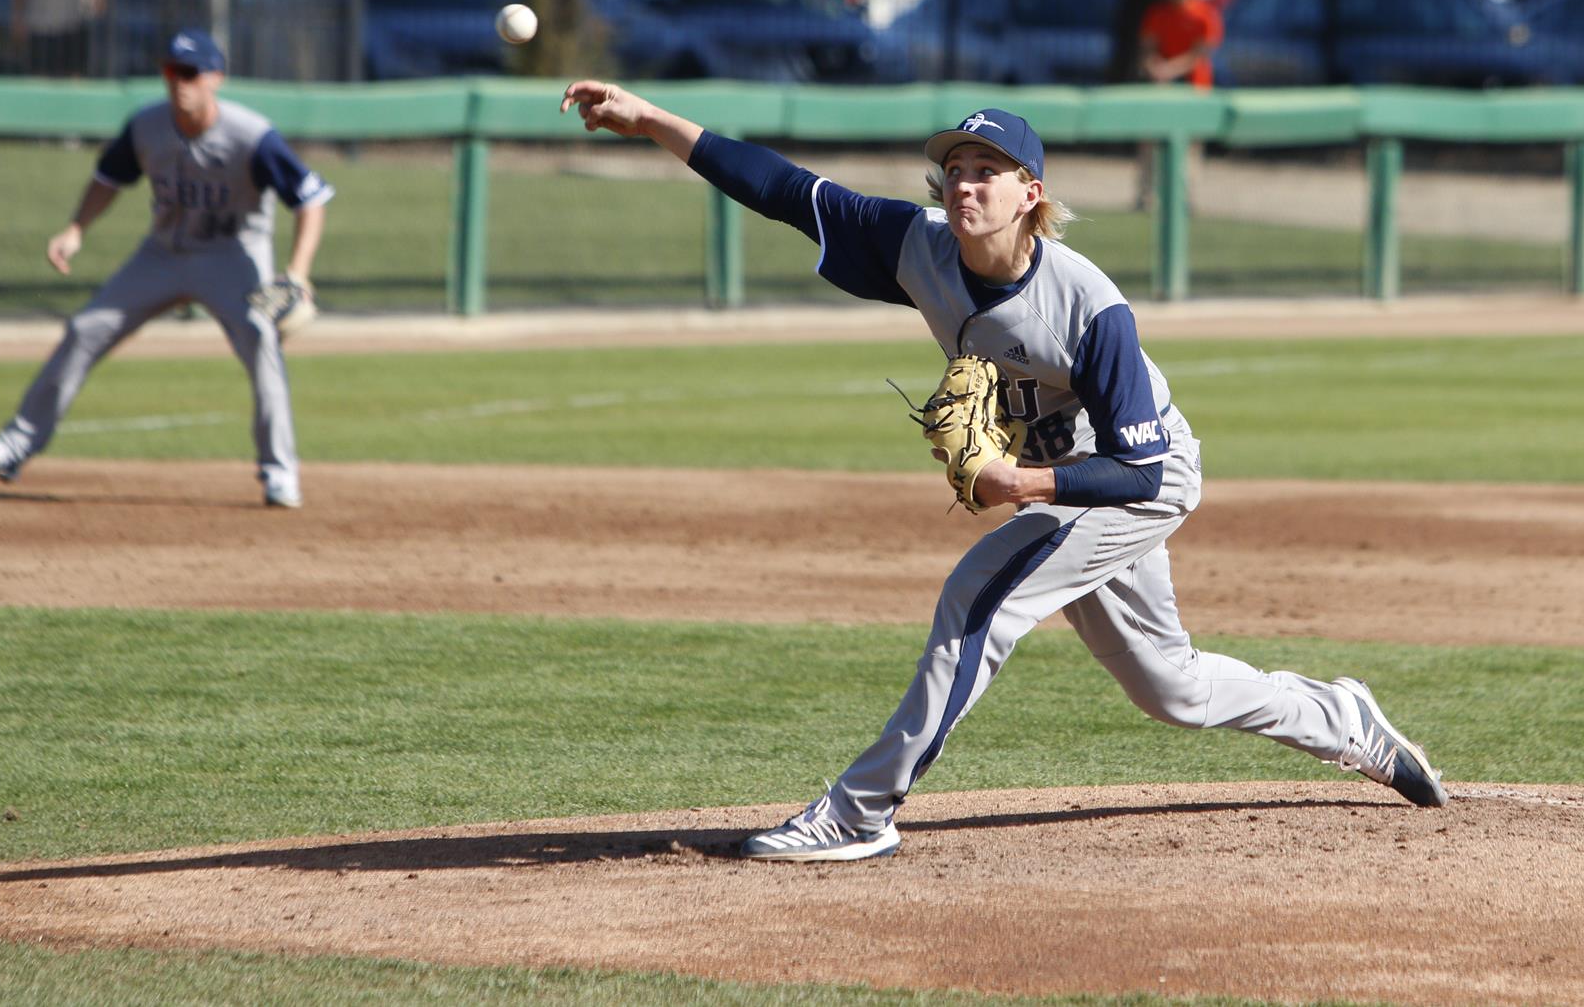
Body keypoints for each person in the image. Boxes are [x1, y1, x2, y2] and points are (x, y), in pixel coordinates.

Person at [558, 80, 1450, 863]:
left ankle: (860, 811)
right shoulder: (919, 247)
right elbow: (786, 190)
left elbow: (1140, 472)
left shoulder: (1090, 308)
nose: (965, 182)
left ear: (1032, 193)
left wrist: (1022, 486)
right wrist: (650, 123)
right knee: (1170, 687)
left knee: (979, 597)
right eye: (955, 165)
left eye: (988, 169)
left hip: (1135, 476)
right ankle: (1344, 720)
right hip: (1073, 484)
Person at [0, 30, 334, 509]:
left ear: (216, 78)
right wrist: (76, 229)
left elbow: (312, 200)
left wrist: (297, 273)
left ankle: (280, 473)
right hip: (161, 255)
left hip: (232, 258)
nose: (180, 82)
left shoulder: (252, 136)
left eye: (191, 72)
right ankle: (14, 446)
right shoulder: (147, 126)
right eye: (172, 71)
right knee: (84, 329)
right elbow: (108, 178)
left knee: (262, 344)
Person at [1135, 0, 1222, 211]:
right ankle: (1146, 195)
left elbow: (1199, 54)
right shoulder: (1158, 13)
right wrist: (1154, 66)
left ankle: (1187, 198)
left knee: (1190, 146)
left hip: (1194, 88)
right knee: (1150, 141)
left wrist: (1169, 69)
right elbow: (1148, 47)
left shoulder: (1204, 14)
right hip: (1163, 88)